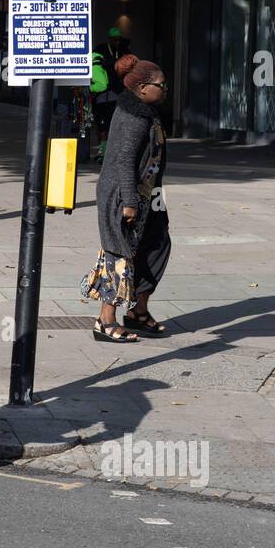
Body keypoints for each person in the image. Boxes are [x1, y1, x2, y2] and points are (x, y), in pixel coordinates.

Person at [80, 53, 171, 342]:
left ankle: (137, 312)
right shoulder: (134, 117)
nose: (165, 89)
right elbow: (123, 161)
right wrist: (129, 201)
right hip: (123, 194)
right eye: (161, 85)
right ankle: (105, 321)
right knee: (120, 254)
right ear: (143, 88)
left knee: (157, 245)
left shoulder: (146, 110)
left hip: (149, 194)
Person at [91, 19, 133, 162]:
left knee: (115, 123)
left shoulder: (124, 51)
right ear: (109, 39)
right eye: (115, 39)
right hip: (102, 92)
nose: (117, 42)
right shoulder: (101, 49)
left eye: (119, 39)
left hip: (118, 92)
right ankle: (103, 152)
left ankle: (113, 153)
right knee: (102, 125)